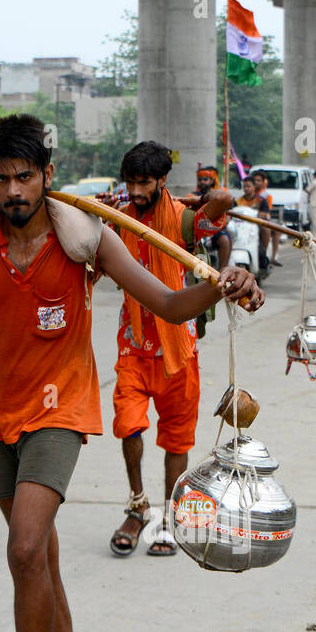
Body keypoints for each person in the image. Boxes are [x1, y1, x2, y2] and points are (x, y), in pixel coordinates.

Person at [0, 115, 263, 632]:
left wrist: (223, 283)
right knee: (40, 565)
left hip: (59, 412)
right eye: (1, 179)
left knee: (24, 548)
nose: (13, 192)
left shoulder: (86, 238)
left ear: (46, 176)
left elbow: (170, 303)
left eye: (24, 177)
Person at [109, 141, 234, 559]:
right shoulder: (119, 218)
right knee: (128, 426)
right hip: (132, 348)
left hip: (177, 351)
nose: (135, 191)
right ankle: (137, 506)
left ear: (162, 180)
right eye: (130, 182)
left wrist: (197, 198)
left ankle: (166, 515)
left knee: (176, 439)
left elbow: (224, 201)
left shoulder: (181, 220)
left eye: (144, 183)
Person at [251, 171, 280, 266]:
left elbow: (267, 212)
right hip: (246, 220)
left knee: (275, 229)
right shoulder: (248, 193)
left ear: (264, 182)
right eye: (254, 180)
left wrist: (261, 214)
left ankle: (269, 256)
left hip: (261, 220)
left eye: (258, 180)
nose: (256, 182)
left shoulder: (266, 196)